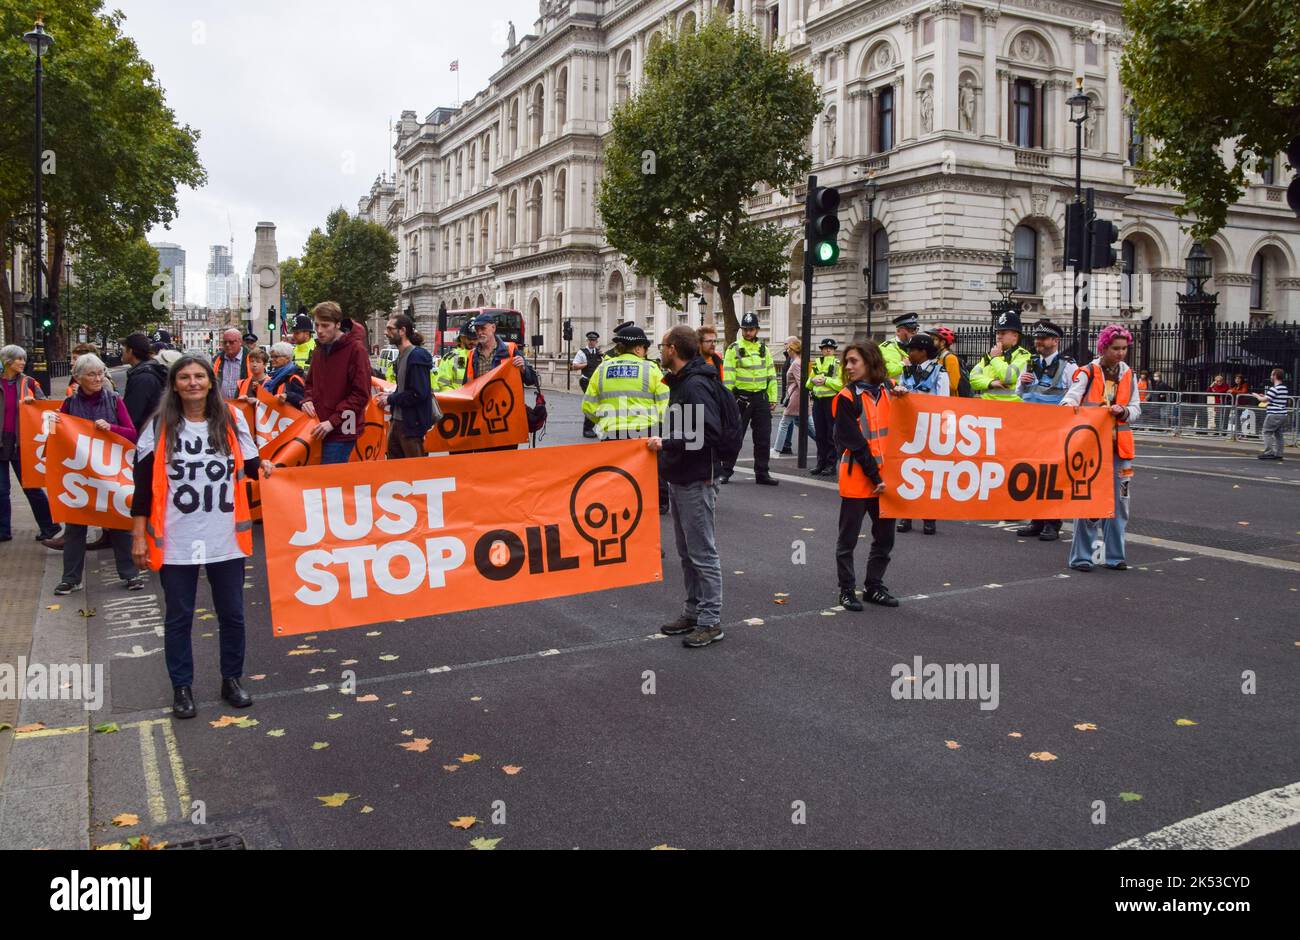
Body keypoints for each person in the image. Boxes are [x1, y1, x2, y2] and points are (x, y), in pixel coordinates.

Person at [130, 355, 270, 719]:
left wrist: (270, 467)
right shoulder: (159, 425)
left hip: (225, 539)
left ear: (210, 381)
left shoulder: (233, 419)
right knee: (179, 617)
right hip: (177, 540)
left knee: (233, 615)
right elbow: (142, 487)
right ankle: (182, 687)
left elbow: (254, 465)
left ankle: (232, 680)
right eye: (185, 377)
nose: (193, 383)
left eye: (199, 376)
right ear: (174, 385)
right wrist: (138, 536)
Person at [648, 326, 728, 649]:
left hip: (696, 478)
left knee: (702, 552)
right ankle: (694, 611)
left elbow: (708, 433)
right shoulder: (682, 382)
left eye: (664, 344)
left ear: (673, 349)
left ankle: (711, 620)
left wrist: (666, 442)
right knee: (687, 552)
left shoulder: (695, 385)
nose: (661, 349)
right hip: (681, 476)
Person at [50, 354, 142, 595]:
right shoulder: (70, 404)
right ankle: (71, 578)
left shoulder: (114, 400)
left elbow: (132, 434)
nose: (98, 378)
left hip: (108, 473)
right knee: (75, 527)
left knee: (119, 524)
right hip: (80, 473)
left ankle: (130, 574)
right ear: (78, 378)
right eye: (91, 374)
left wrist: (111, 428)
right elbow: (57, 434)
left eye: (100, 373)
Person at [1062, 323, 1141, 572]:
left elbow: (1137, 408)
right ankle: (1081, 558)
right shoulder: (1088, 372)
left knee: (1120, 504)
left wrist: (1125, 410)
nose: (1120, 353)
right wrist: (1066, 409)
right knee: (1089, 503)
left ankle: (1115, 557)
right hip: (1091, 448)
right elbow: (1071, 398)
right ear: (1104, 347)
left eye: (1124, 348)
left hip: (1120, 449)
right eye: (1115, 348)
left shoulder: (1129, 374)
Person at [833, 343, 905, 611]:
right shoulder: (846, 397)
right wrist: (875, 477)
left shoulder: (889, 389)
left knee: (885, 537)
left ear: (870, 362)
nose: (848, 367)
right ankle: (847, 590)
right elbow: (855, 442)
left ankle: (874, 586)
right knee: (848, 539)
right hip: (859, 478)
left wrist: (906, 395)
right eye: (847, 362)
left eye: (854, 361)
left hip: (885, 478)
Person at [582, 322, 670, 510]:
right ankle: (660, 503)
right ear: (638, 348)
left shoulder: (602, 369)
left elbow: (588, 406)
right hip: (645, 430)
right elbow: (665, 403)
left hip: (611, 431)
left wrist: (604, 421)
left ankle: (616, 505)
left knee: (613, 473)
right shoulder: (651, 369)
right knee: (652, 471)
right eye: (645, 348)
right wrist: (660, 426)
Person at [1012, 319, 1074, 542]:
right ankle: (1036, 520)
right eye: (1037, 337)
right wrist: (1022, 382)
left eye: (1043, 338)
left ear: (1055, 341)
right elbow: (1019, 394)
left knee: (1052, 478)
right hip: (1032, 430)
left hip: (1055, 430)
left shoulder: (1068, 367)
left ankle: (1052, 522)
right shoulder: (1030, 363)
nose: (1038, 341)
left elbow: (1073, 397)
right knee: (1034, 476)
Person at [0, 345, 60, 543]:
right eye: (18, 359)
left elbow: (45, 407)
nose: (23, 363)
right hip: (2, 440)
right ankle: (3, 531)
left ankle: (50, 526)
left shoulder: (30, 383)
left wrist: (32, 402)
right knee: (1, 490)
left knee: (31, 487)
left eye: (23, 359)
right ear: (7, 360)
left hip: (21, 441)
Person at [301, 301, 373, 465]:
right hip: (319, 426)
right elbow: (310, 383)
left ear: (338, 324)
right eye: (317, 325)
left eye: (325, 325)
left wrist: (333, 421)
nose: (319, 331)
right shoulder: (320, 349)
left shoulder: (356, 350)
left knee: (329, 484)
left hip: (341, 432)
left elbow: (361, 394)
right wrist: (307, 400)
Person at [895, 332, 949, 536]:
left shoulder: (940, 372)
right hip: (910, 428)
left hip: (929, 429)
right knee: (908, 472)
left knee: (929, 475)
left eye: (912, 349)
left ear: (923, 352)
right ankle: (906, 515)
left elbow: (944, 403)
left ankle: (929, 517)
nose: (909, 353)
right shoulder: (907, 371)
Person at [721, 312, 779, 485]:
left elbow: (771, 375)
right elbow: (729, 376)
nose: (748, 333)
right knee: (735, 437)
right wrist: (728, 400)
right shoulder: (734, 348)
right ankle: (726, 471)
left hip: (760, 398)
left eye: (751, 329)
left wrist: (773, 397)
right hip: (741, 399)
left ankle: (762, 473)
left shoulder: (764, 349)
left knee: (763, 438)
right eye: (745, 329)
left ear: (757, 330)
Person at [374, 314, 437, 459]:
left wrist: (391, 399)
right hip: (397, 422)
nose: (386, 332)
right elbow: (402, 389)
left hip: (411, 426)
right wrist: (390, 396)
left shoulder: (416, 357)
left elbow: (418, 393)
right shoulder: (400, 357)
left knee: (416, 473)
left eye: (390, 329)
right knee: (395, 472)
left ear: (402, 331)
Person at [970, 308, 1032, 401]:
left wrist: (995, 358)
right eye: (997, 333)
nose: (999, 336)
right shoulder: (989, 355)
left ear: (1015, 336)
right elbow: (972, 378)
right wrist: (990, 382)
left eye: (1003, 333)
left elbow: (1009, 377)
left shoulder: (1023, 355)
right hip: (987, 408)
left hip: (1012, 409)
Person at [466, 312, 537, 384]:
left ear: (493, 328)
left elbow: (531, 380)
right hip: (481, 395)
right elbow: (466, 385)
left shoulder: (510, 350)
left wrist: (523, 368)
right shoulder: (472, 355)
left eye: (483, 328)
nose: (479, 332)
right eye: (477, 330)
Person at [805, 337, 842, 473]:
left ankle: (831, 465)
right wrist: (813, 380)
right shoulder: (816, 364)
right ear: (821, 350)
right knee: (820, 434)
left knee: (830, 434)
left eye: (831, 348)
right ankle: (820, 463)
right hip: (818, 401)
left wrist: (826, 380)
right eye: (825, 348)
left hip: (831, 400)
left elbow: (841, 385)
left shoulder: (838, 364)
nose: (828, 350)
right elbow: (807, 384)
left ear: (834, 350)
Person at [120, 333, 169, 431]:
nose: (122, 353)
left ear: (130, 351)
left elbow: (131, 416)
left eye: (124, 349)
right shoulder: (147, 372)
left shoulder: (143, 378)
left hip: (143, 438)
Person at [774, 336, 812, 458]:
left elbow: (801, 383)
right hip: (796, 397)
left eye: (787, 347)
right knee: (806, 424)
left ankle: (776, 450)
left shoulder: (796, 363)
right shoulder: (798, 362)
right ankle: (826, 444)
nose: (786, 350)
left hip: (795, 398)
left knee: (784, 423)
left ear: (792, 350)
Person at [571, 330, 604, 438]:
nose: (592, 342)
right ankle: (587, 429)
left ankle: (594, 427)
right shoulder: (582, 352)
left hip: (597, 382)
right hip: (586, 381)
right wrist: (586, 364)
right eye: (590, 340)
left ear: (596, 341)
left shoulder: (599, 353)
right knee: (591, 403)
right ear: (587, 340)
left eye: (594, 340)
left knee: (598, 404)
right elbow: (574, 366)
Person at [1253, 369, 1289, 460]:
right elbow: (1272, 398)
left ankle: (1268, 452)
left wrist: (1257, 396)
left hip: (1274, 414)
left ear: (1275, 376)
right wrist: (1264, 396)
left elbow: (1264, 400)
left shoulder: (1274, 388)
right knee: (1278, 434)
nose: (1270, 377)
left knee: (1266, 432)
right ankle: (1279, 454)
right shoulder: (1284, 388)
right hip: (1283, 414)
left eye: (1271, 375)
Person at [435, 321, 475, 392]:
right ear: (462, 338)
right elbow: (443, 383)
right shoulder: (452, 357)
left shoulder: (481, 356)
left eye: (475, 339)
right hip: (458, 400)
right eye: (469, 339)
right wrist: (456, 398)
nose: (473, 342)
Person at [879, 313, 918, 381]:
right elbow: (886, 371)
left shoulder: (915, 346)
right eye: (910, 329)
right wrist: (903, 364)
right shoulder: (886, 347)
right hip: (892, 389)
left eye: (915, 329)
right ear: (898, 331)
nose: (914, 332)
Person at [266, 342, 306, 408]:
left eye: (276, 357)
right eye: (271, 357)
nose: (272, 360)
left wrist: (287, 396)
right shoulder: (275, 374)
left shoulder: (295, 377)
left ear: (287, 358)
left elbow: (303, 400)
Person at [214, 329, 249, 399]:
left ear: (240, 342)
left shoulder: (251, 358)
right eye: (225, 342)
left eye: (231, 342)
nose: (227, 345)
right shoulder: (217, 359)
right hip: (221, 406)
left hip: (242, 405)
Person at [931, 326, 964, 396]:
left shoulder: (950, 358)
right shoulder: (939, 357)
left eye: (934, 339)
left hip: (949, 401)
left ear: (942, 342)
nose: (932, 342)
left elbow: (953, 386)